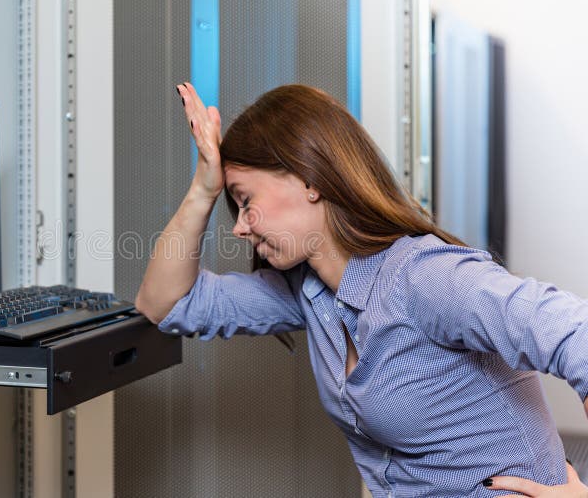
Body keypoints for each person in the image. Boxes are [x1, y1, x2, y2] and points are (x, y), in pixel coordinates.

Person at [135, 82, 588, 497]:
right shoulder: (312, 293)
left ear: (309, 180)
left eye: (245, 200)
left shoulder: (423, 279)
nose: (238, 227)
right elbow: (167, 303)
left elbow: (577, 335)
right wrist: (203, 189)